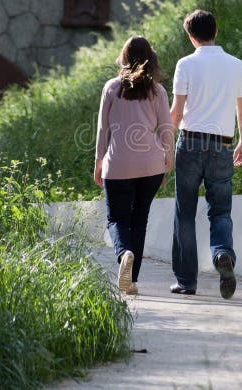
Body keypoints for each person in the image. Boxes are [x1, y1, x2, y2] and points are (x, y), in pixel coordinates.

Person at [169, 10, 242, 299]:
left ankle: (186, 282)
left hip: (189, 143)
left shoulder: (186, 64)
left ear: (191, 37)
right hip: (223, 145)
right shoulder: (236, 65)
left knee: (185, 213)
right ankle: (222, 255)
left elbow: (176, 113)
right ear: (216, 31)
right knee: (220, 211)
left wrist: (165, 145)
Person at [95, 36, 174, 295]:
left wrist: (98, 161)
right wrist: (167, 161)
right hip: (150, 165)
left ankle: (124, 253)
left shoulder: (112, 88)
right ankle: (132, 280)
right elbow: (166, 129)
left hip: (117, 164)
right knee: (139, 220)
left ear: (125, 57)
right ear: (151, 58)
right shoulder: (158, 91)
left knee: (116, 218)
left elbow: (102, 129)